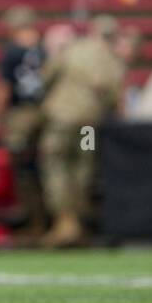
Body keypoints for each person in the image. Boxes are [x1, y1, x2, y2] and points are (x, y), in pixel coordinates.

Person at [38, 16, 127, 247]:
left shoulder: (74, 49)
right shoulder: (114, 61)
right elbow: (115, 99)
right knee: (82, 168)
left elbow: (46, 76)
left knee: (55, 164)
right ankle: (78, 219)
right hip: (89, 125)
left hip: (62, 118)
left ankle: (65, 220)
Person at [0, 6, 48, 234]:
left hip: (20, 115)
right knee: (42, 168)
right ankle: (44, 220)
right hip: (43, 113)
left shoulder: (11, 52)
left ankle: (34, 222)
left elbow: (2, 88)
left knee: (22, 169)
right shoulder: (44, 51)